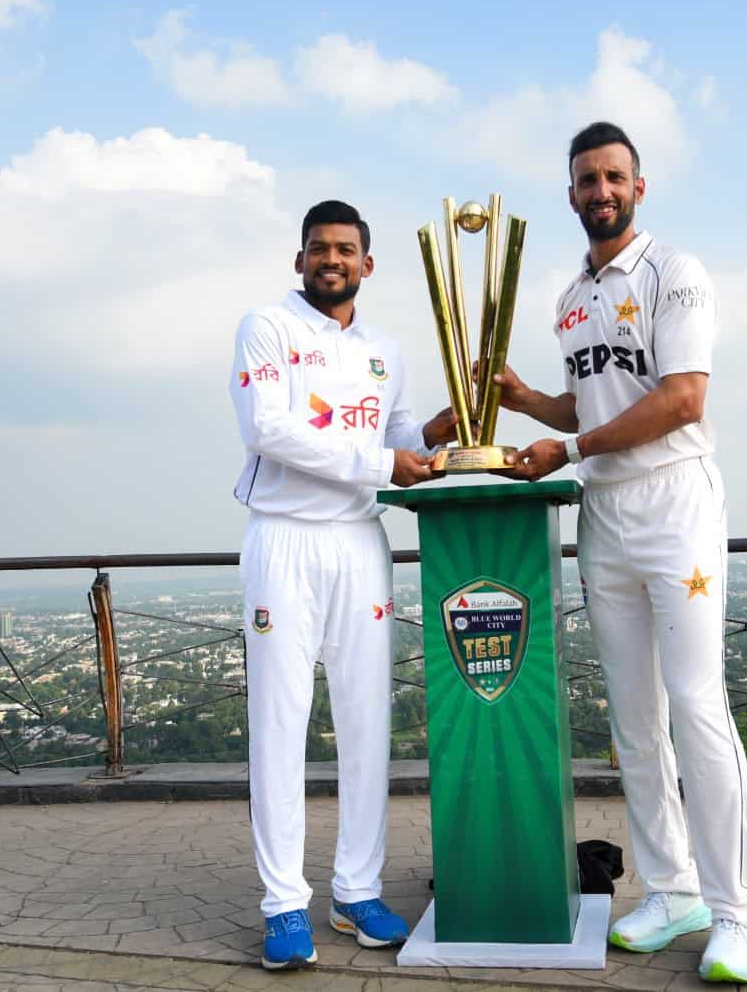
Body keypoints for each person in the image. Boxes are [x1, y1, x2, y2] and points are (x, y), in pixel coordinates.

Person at [496, 123, 747, 984]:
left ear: (638, 188)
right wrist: (524, 399)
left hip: (675, 507)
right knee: (634, 722)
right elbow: (591, 406)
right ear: (570, 192)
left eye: (614, 176)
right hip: (603, 514)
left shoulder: (674, 274)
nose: (600, 191)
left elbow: (683, 399)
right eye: (586, 179)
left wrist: (572, 451)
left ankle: (740, 916)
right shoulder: (571, 296)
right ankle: (673, 889)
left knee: (695, 708)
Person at [228, 199, 453, 970]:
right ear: (300, 261)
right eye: (319, 248)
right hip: (284, 539)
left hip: (361, 543)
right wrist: (383, 465)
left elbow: (400, 438)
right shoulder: (268, 327)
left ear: (367, 264)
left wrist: (453, 423)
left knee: (365, 725)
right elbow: (270, 430)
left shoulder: (384, 350)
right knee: (281, 726)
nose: (332, 259)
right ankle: (283, 905)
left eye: (346, 249)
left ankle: (357, 892)